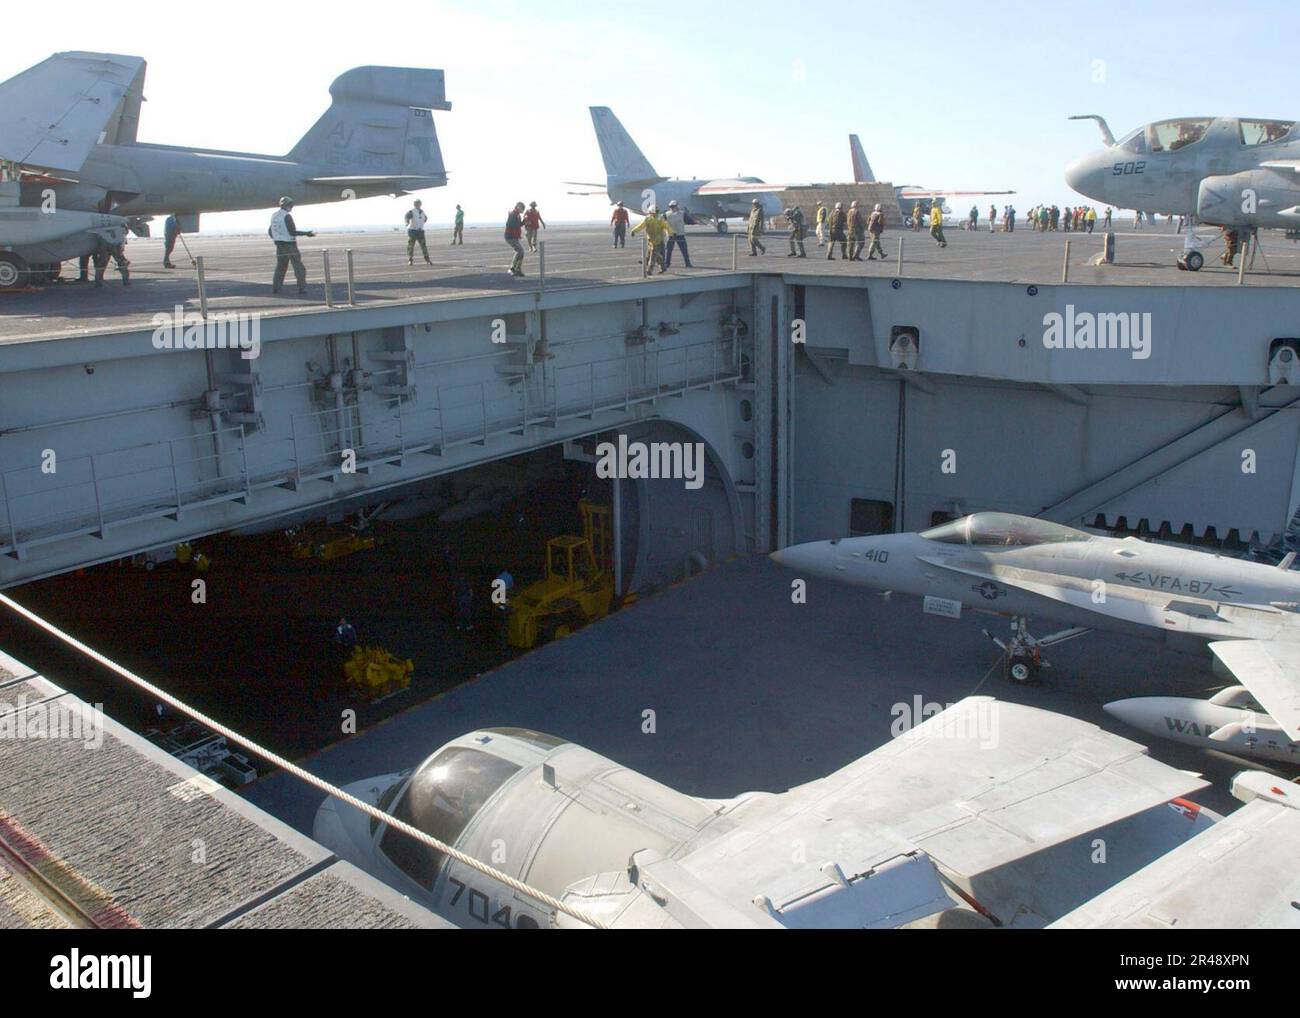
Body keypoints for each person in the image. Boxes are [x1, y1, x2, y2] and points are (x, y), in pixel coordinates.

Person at [269, 196, 314, 294]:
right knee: (299, 267)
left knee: (280, 267)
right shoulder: (287, 216)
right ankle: (302, 288)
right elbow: (292, 232)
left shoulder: (274, 215)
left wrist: (277, 238)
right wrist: (307, 233)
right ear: (288, 205)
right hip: (289, 244)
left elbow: (270, 231)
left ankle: (276, 288)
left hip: (279, 245)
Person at [631, 206, 673, 273]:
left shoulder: (660, 219)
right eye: (655, 211)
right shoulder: (647, 219)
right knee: (657, 256)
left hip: (658, 240)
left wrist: (672, 233)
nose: (656, 213)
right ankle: (663, 267)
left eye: (657, 211)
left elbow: (666, 226)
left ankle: (649, 270)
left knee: (653, 255)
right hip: (650, 240)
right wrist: (634, 231)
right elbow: (641, 226)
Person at [663, 200, 693, 267]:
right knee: (683, 250)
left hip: (672, 235)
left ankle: (667, 263)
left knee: (669, 250)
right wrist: (695, 222)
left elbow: (661, 222)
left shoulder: (666, 214)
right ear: (677, 206)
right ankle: (687, 264)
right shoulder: (682, 213)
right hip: (678, 235)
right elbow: (689, 221)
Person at [405, 199, 432, 265]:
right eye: (417, 204)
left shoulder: (422, 212)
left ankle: (427, 259)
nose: (418, 205)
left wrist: (421, 224)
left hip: (420, 231)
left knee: (423, 246)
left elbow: (425, 218)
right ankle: (410, 260)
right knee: (411, 246)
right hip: (412, 231)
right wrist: (407, 222)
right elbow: (406, 217)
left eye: (419, 204)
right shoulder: (411, 211)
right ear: (414, 205)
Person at [505, 201, 527, 276]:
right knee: (520, 251)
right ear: (518, 207)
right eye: (522, 208)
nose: (523, 210)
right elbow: (509, 224)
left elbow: (518, 225)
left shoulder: (517, 214)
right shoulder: (513, 214)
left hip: (513, 236)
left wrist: (524, 222)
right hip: (510, 236)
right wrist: (516, 231)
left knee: (519, 251)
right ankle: (514, 268)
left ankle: (516, 268)